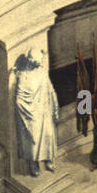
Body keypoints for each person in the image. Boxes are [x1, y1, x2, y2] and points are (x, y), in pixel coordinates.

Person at [13, 48, 60, 176]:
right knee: (33, 141)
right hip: (32, 114)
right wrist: (31, 113)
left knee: (49, 136)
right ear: (31, 61)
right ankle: (33, 164)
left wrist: (55, 107)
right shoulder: (24, 76)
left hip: (45, 111)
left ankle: (48, 160)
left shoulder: (42, 72)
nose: (40, 63)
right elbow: (19, 99)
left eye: (40, 61)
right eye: (38, 61)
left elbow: (50, 89)